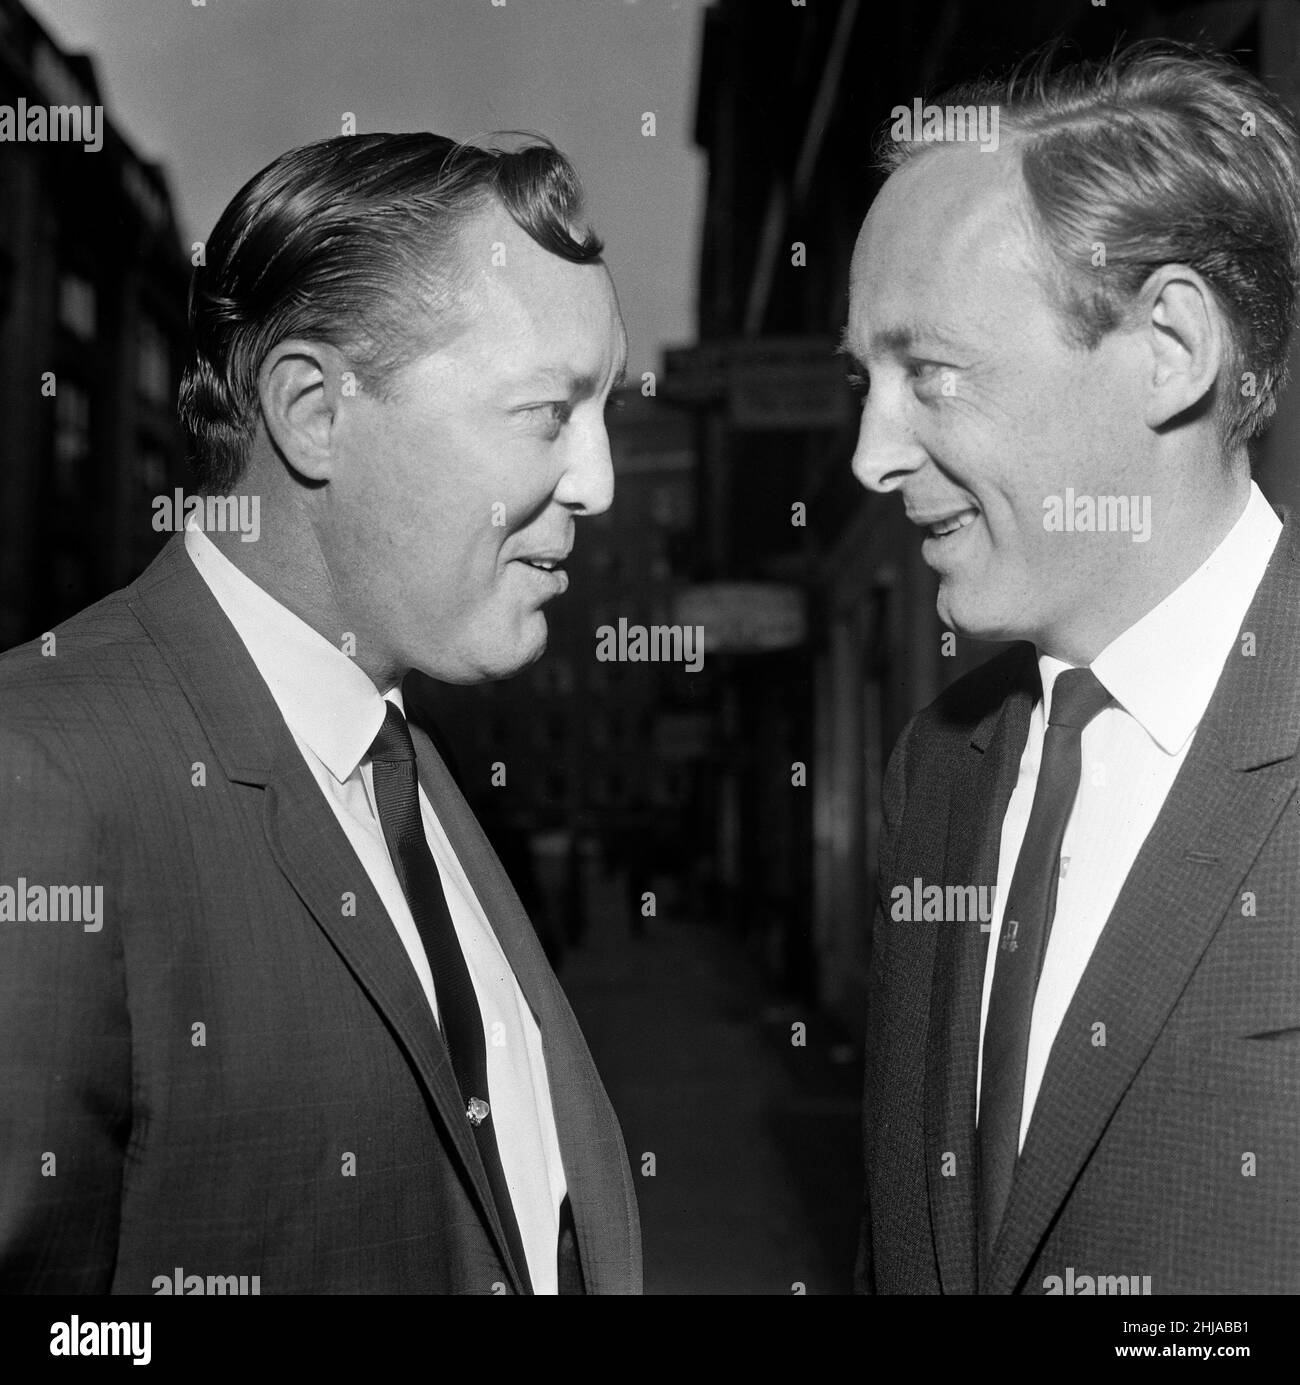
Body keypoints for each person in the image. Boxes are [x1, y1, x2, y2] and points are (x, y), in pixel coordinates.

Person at [0, 132, 641, 1295]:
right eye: (550, 413)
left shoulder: (406, 760)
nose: (599, 481)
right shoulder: (36, 774)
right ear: (314, 412)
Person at [848, 41, 1300, 1294]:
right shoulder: (938, 769)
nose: (871, 453)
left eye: (927, 373)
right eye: (865, 382)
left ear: (1167, 347)